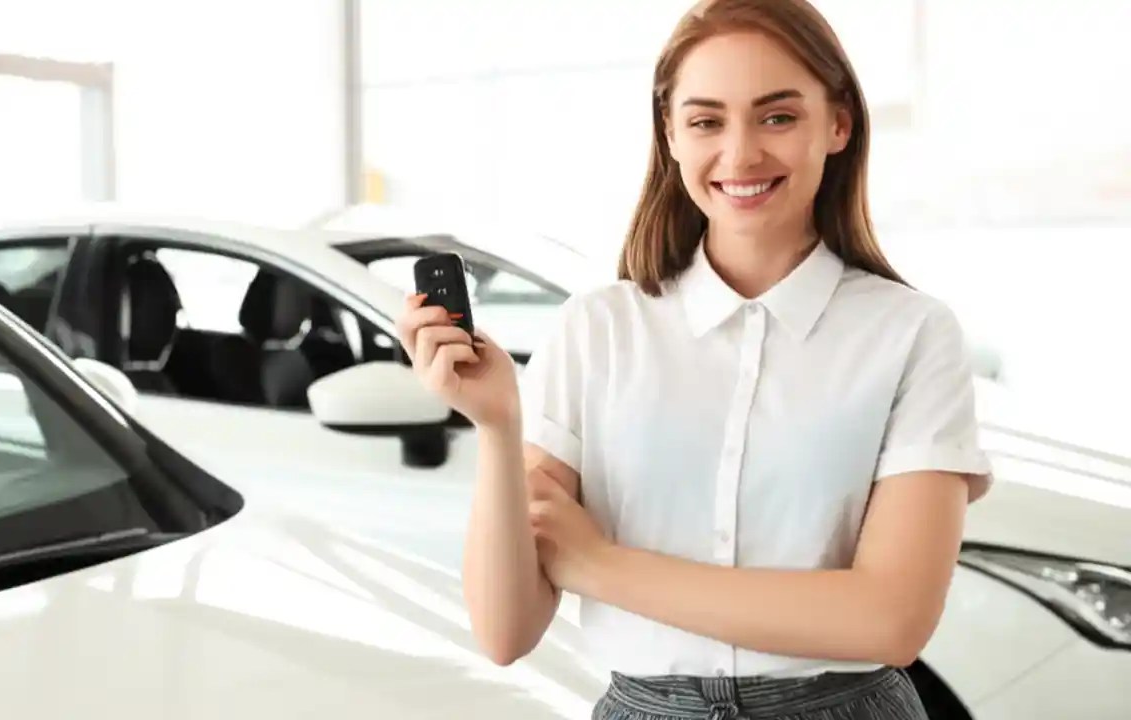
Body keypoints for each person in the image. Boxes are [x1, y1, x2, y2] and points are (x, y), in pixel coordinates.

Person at [396, 1, 992, 717]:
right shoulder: (598, 328)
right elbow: (505, 631)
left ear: (838, 124)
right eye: (707, 120)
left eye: (777, 116)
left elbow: (890, 621)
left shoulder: (912, 333)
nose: (740, 155)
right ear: (671, 134)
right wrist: (496, 427)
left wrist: (598, 565)